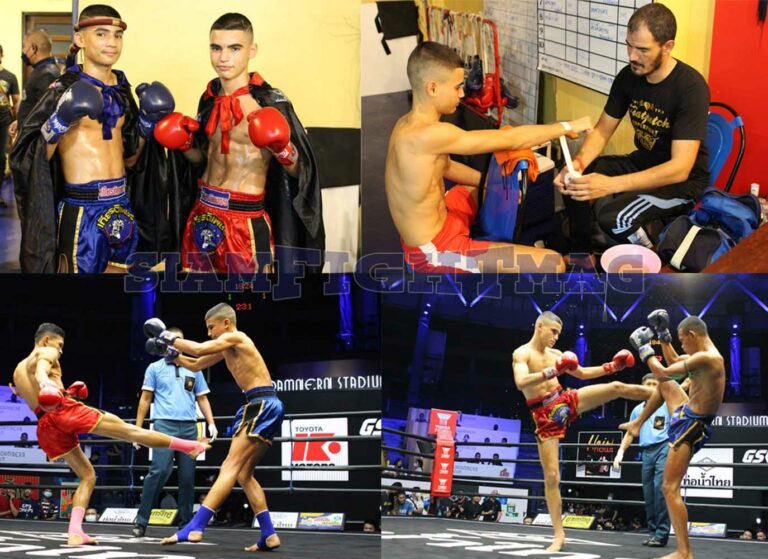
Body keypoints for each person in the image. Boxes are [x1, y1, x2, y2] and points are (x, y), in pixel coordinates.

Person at [385, 41, 594, 274]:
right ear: (432, 88)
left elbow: (445, 166)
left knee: (482, 190)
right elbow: (514, 140)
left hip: (442, 221)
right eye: (456, 88)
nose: (462, 93)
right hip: (435, 252)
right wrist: (566, 126)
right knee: (553, 263)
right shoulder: (428, 135)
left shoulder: (405, 124)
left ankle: (501, 245)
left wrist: (491, 188)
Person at [10, 4, 176, 273]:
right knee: (79, 297)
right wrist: (58, 122)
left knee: (124, 291)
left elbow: (133, 160)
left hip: (122, 205)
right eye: (101, 34)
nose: (112, 43)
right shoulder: (61, 91)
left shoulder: (123, 92)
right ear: (80, 39)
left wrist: (146, 126)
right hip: (81, 211)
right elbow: (30, 160)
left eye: (117, 35)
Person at [12, 322, 209, 546]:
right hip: (62, 411)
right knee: (130, 431)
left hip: (45, 425)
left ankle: (75, 531)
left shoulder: (18, 370)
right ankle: (188, 446)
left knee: (88, 475)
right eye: (60, 345)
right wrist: (46, 382)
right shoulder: (46, 350)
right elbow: (41, 367)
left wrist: (66, 391)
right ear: (47, 340)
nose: (61, 351)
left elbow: (39, 396)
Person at [154, 12, 322, 273]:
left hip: (245, 221)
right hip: (203, 212)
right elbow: (202, 162)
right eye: (216, 48)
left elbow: (302, 174)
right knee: (196, 303)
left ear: (251, 50)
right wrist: (186, 144)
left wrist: (282, 148)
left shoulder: (271, 103)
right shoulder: (209, 98)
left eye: (234, 48)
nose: (223, 57)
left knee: (249, 305)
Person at [555, 3, 710, 258]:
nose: (632, 56)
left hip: (682, 182)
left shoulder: (691, 88)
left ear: (667, 46)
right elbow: (602, 131)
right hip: (642, 163)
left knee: (613, 219)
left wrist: (610, 185)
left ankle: (657, 263)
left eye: (642, 50)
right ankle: (581, 256)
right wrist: (579, 162)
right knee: (575, 176)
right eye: (629, 45)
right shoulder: (629, 76)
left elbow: (680, 167)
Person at [143, 303, 284, 552]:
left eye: (211, 327)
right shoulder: (228, 346)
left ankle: (196, 526)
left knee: (229, 467)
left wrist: (167, 336)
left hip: (261, 403)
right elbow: (197, 364)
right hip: (261, 403)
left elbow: (197, 347)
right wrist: (173, 355)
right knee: (243, 474)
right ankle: (269, 534)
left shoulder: (236, 337)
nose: (209, 333)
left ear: (226, 323)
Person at [512, 311, 653, 552]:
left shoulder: (556, 354)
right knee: (553, 477)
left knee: (616, 386)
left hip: (564, 400)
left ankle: (671, 392)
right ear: (539, 326)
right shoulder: (522, 353)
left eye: (558, 332)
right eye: (553, 331)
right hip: (544, 415)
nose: (556, 337)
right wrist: (552, 371)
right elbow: (521, 382)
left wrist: (611, 367)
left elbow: (583, 373)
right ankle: (558, 536)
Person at [623, 313, 725, 559]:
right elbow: (676, 362)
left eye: (681, 340)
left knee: (669, 487)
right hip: (687, 411)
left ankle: (683, 552)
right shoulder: (701, 355)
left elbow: (665, 370)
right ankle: (637, 423)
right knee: (665, 386)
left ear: (692, 335)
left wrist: (645, 348)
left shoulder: (709, 358)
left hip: (693, 425)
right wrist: (663, 337)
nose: (682, 345)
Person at [132, 326, 217, 538]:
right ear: (164, 341)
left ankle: (185, 525)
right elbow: (145, 398)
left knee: (188, 478)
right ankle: (141, 521)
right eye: (171, 340)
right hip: (164, 426)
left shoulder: (194, 367)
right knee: (159, 471)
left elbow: (202, 398)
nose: (174, 343)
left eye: (178, 340)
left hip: (189, 427)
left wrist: (211, 422)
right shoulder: (154, 368)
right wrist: (137, 428)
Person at [614, 369, 689, 548]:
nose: (652, 388)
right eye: (648, 385)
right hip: (646, 451)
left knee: (659, 490)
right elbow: (631, 431)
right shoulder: (637, 410)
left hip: (665, 446)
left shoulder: (666, 404)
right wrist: (620, 452)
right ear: (641, 387)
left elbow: (684, 389)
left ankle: (662, 534)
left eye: (655, 385)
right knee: (648, 494)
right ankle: (653, 532)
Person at [9, 29, 61, 135]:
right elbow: (35, 106)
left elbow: (45, 115)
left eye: (24, 46)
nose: (23, 51)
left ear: (33, 48)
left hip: (32, 140)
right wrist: (20, 122)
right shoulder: (41, 70)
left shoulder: (46, 74)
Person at [0, 44, 20, 205]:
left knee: (1, 158)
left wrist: (16, 119)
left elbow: (17, 101)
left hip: (4, 121)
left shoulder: (10, 77)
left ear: (1, 56)